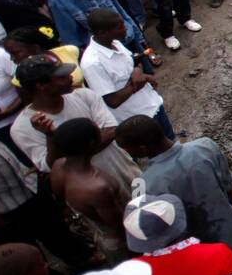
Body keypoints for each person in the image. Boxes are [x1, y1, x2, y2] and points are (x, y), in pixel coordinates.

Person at [0, 76, 91, 263]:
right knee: (25, 253)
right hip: (0, 209)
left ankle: (82, 263)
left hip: (28, 187)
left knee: (59, 235)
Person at [115, 115, 232, 267]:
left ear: (143, 149)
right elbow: (228, 184)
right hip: (230, 230)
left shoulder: (142, 184)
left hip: (196, 252)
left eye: (128, 150)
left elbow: (150, 229)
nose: (129, 154)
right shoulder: (206, 145)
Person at [9, 54, 139, 191]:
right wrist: (50, 136)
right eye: (61, 77)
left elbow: (112, 130)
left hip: (128, 175)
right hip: (93, 196)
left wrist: (70, 156)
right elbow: (50, 165)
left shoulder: (84, 95)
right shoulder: (21, 128)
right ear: (41, 85)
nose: (71, 78)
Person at [79, 10, 173, 137]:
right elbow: (113, 101)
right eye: (119, 27)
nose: (125, 29)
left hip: (153, 104)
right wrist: (140, 81)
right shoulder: (92, 63)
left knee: (171, 141)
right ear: (102, 32)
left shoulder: (115, 43)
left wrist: (137, 71)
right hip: (137, 120)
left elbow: (133, 61)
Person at [48, 118, 130, 260]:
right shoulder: (98, 187)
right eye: (98, 130)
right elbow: (119, 225)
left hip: (100, 234)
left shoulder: (58, 167)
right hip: (121, 242)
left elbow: (61, 198)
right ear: (92, 143)